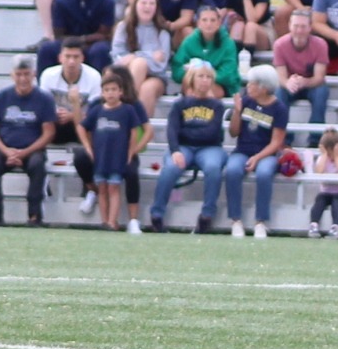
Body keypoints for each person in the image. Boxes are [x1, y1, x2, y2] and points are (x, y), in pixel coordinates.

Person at [149, 61, 229, 233]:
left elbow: (212, 133)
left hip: (210, 148)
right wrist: (175, 150)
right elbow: (172, 130)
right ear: (192, 79)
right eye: (201, 76)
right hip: (183, 147)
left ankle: (206, 216)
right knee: (170, 168)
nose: (205, 80)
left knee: (213, 168)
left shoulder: (217, 105)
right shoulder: (180, 104)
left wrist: (186, 132)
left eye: (208, 77)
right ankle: (156, 214)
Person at [70, 67, 152, 234]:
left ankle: (129, 220)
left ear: (121, 88)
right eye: (106, 88)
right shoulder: (97, 105)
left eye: (113, 87)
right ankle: (93, 194)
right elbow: (82, 126)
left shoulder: (131, 107)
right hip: (101, 152)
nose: (110, 92)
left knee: (127, 175)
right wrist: (89, 147)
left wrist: (133, 151)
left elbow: (144, 131)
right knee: (83, 162)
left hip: (121, 152)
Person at [0, 54, 56, 227]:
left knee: (37, 165)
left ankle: (35, 216)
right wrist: (6, 151)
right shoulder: (2, 96)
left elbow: (48, 133)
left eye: (26, 74)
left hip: (32, 149)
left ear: (33, 74)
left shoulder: (44, 98)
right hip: (4, 148)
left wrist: (25, 152)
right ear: (12, 75)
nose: (23, 79)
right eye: (19, 74)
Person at [223, 65, 289, 238]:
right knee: (232, 170)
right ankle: (236, 220)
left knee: (264, 173)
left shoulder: (279, 109)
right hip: (242, 150)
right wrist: (237, 112)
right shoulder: (246, 101)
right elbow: (233, 133)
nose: (248, 86)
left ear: (263, 88)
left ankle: (260, 221)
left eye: (252, 83)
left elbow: (276, 142)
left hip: (266, 153)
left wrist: (257, 158)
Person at [42, 40, 102, 215]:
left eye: (76, 57)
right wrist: (54, 114)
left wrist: (73, 114)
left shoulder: (93, 77)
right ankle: (41, 179)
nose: (71, 61)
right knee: (37, 129)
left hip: (82, 125)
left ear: (82, 58)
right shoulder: (48, 75)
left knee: (93, 136)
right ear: (60, 57)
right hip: (56, 124)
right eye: (67, 56)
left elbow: (94, 115)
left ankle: (89, 189)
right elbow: (42, 108)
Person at [40, 0, 114, 71]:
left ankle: (100, 82)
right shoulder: (61, 1)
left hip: (93, 45)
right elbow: (58, 35)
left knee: (101, 50)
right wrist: (78, 41)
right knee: (47, 48)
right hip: (66, 44)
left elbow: (104, 34)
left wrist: (82, 40)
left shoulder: (106, 1)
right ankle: (45, 82)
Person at [112, 0, 173, 113]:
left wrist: (135, 56)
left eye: (152, 3)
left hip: (155, 77)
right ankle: (127, 110)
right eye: (144, 3)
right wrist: (149, 56)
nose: (147, 7)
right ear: (135, 5)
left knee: (147, 88)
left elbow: (160, 64)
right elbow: (117, 58)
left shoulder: (162, 32)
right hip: (126, 74)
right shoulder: (123, 27)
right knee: (139, 64)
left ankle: (133, 116)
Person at [272, 9, 330, 134]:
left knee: (322, 91)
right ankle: (283, 136)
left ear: (310, 28)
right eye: (296, 26)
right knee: (280, 92)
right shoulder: (279, 45)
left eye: (303, 27)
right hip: (290, 84)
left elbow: (319, 77)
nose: (299, 31)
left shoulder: (320, 45)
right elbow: (280, 76)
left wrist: (304, 82)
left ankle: (315, 136)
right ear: (289, 26)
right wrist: (288, 83)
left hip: (311, 84)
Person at [173, 4, 241, 96]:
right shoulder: (189, 41)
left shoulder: (228, 43)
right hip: (193, 84)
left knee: (204, 87)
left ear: (219, 22)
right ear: (198, 23)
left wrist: (206, 76)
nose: (208, 24)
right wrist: (194, 76)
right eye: (204, 20)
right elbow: (177, 70)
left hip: (222, 86)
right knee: (193, 86)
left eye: (213, 20)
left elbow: (228, 73)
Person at [307, 128, 338, 239]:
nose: (330, 155)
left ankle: (336, 227)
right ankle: (313, 224)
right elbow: (319, 172)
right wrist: (324, 155)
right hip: (326, 191)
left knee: (337, 201)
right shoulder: (322, 158)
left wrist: (336, 157)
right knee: (319, 200)